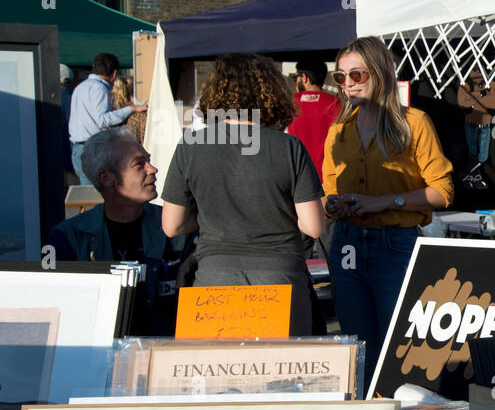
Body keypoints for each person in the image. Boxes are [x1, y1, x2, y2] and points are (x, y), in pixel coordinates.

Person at [323, 36, 455, 385]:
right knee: (356, 350)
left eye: (357, 74)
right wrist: (333, 204)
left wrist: (383, 202)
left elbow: (442, 192)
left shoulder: (414, 122)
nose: (348, 83)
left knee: (400, 350)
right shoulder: (338, 130)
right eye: (340, 77)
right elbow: (328, 191)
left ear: (380, 73)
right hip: (347, 242)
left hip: (396, 243)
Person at [161, 53, 324, 335]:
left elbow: (172, 225)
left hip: (214, 276)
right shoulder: (289, 147)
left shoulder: (190, 146)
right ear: (270, 91)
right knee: (284, 375)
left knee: (217, 373)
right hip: (280, 277)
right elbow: (313, 226)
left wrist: (210, 217)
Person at [50, 127, 194, 335]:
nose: (153, 169)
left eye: (149, 160)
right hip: (97, 353)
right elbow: (58, 307)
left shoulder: (178, 228)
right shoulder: (68, 238)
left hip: (163, 350)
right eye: (139, 164)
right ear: (107, 178)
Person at [68, 52, 147, 186]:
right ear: (114, 73)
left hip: (77, 148)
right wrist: (132, 109)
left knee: (88, 197)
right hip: (92, 149)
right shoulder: (100, 88)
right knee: (97, 197)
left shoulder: (80, 87)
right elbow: (103, 120)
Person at [286, 59, 340, 179]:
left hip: (296, 177)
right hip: (327, 178)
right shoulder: (336, 104)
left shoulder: (288, 102)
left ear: (304, 78)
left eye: (296, 79)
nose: (296, 83)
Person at [457, 69, 495, 164]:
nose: (477, 73)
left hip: (485, 125)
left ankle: (479, 173)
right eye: (474, 70)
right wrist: (482, 94)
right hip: (471, 124)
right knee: (471, 155)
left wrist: (473, 99)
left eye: (480, 70)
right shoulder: (465, 84)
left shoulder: (492, 84)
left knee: (483, 157)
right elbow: (462, 103)